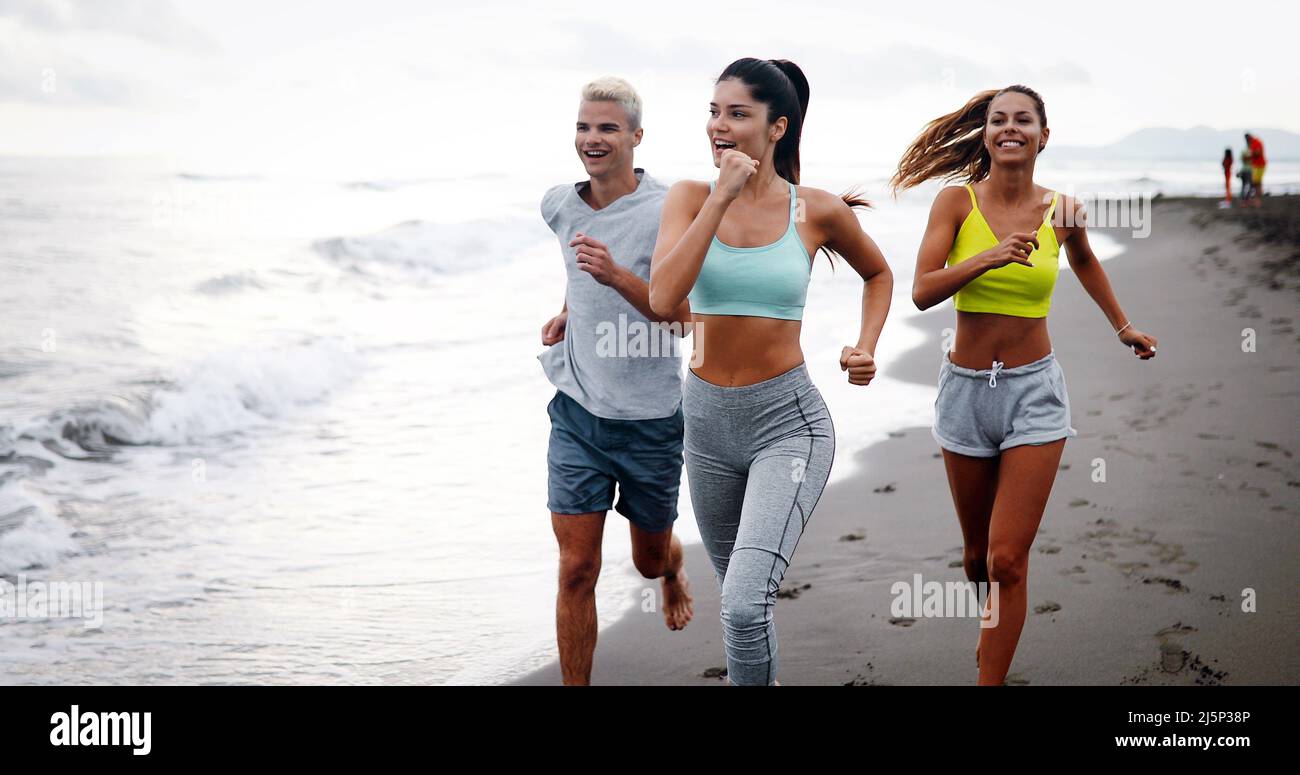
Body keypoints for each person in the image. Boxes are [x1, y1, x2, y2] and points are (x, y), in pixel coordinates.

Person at [892, 84, 1159, 685]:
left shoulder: (1062, 210)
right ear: (986, 134)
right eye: (998, 121)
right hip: (964, 393)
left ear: (1043, 135)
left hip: (1034, 392)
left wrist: (1123, 325)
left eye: (1022, 120)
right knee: (977, 558)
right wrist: (986, 257)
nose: (1009, 128)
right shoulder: (955, 203)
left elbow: (1085, 260)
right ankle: (990, 633)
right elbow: (922, 290)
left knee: (1007, 559)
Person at [649, 58, 893, 686]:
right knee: (741, 602)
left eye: (737, 114)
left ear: (776, 127)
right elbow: (662, 297)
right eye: (713, 111)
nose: (718, 126)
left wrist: (864, 344)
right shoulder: (688, 198)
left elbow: (879, 273)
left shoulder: (816, 210)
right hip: (704, 428)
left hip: (787, 425)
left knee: (741, 603)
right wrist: (721, 196)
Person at [538, 76, 695, 685]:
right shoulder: (558, 203)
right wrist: (573, 309)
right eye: (583, 126)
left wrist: (614, 280)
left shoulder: (667, 210)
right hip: (577, 410)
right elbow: (579, 273)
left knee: (649, 561)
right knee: (576, 567)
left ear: (636, 136)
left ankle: (675, 570)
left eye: (607, 128)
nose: (592, 139)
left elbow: (684, 321)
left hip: (651, 419)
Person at [1246, 132, 1266, 206]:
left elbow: (1258, 152)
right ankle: (1257, 201)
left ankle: (1257, 200)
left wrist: (1250, 155)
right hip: (1257, 165)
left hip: (1259, 165)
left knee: (1255, 183)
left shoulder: (1256, 142)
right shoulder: (1254, 142)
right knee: (1258, 183)